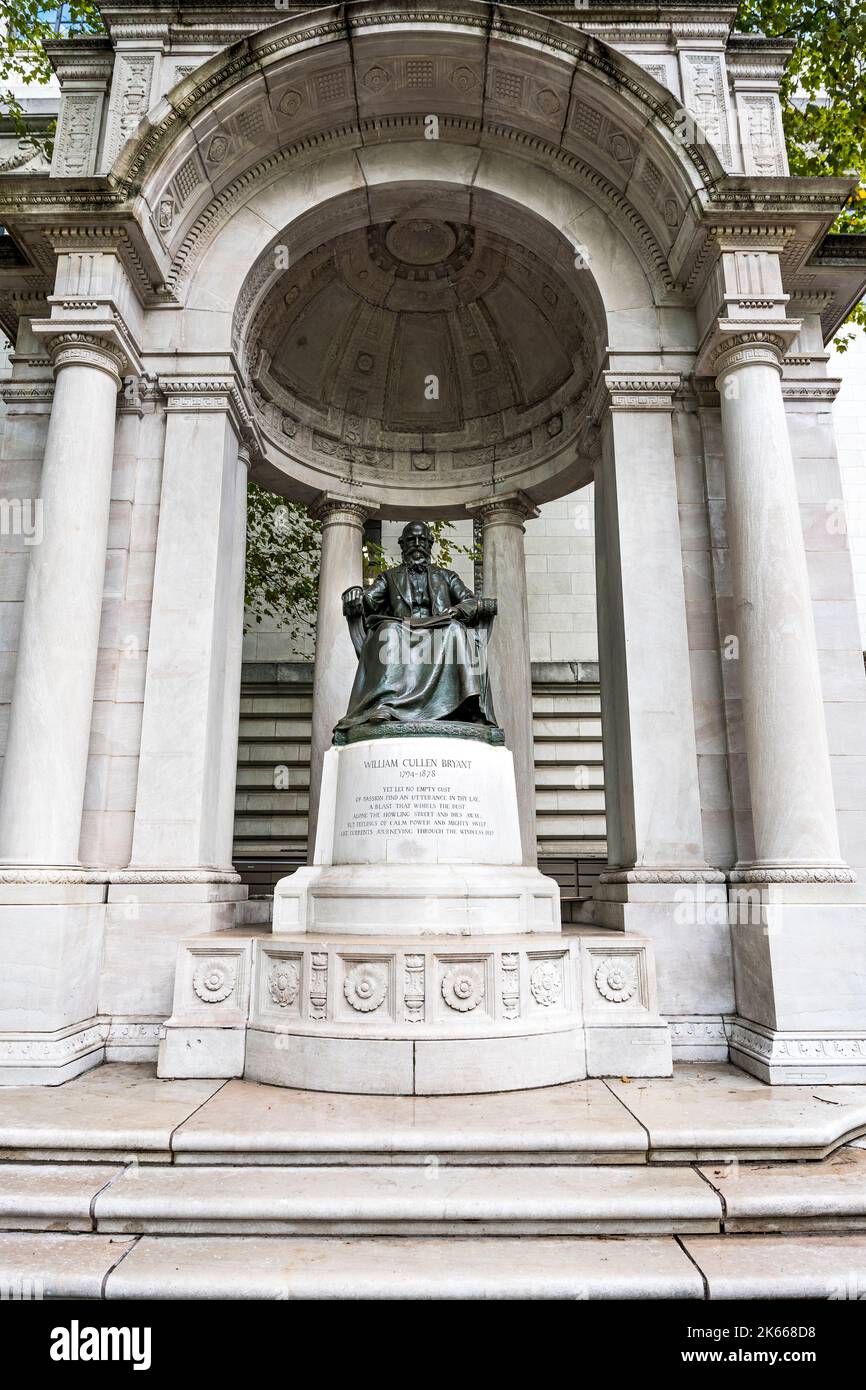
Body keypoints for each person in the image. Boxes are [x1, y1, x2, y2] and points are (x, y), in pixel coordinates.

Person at [335, 520, 499, 736]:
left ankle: (464, 705)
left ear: (430, 543)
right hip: (402, 629)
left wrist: (456, 611)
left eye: (422, 539)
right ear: (402, 544)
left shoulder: (446, 576)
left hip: (439, 628)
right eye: (411, 539)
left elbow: (471, 601)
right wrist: (355, 592)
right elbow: (369, 600)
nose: (417, 543)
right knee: (388, 632)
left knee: (455, 631)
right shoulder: (389, 577)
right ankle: (384, 704)